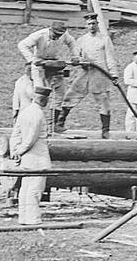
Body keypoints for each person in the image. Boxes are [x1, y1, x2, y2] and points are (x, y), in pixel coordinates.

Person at [62, 14, 118, 139]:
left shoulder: (104, 39)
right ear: (86, 25)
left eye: (93, 23)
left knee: (103, 101)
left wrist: (113, 74)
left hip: (100, 74)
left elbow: (110, 57)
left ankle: (105, 130)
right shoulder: (81, 40)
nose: (91, 26)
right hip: (84, 72)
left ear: (97, 24)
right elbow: (75, 55)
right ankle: (59, 123)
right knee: (71, 96)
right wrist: (79, 59)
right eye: (89, 24)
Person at [11, 85, 52, 225]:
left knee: (26, 188)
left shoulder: (25, 112)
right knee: (35, 189)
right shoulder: (37, 114)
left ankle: (23, 217)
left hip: (27, 158)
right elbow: (31, 138)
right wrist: (20, 150)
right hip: (36, 158)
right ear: (43, 99)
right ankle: (33, 219)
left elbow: (15, 134)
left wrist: (15, 150)